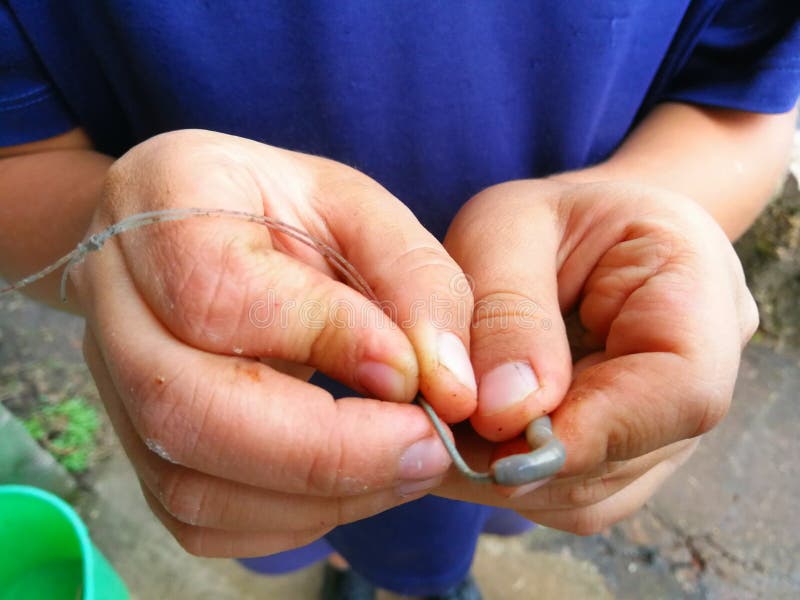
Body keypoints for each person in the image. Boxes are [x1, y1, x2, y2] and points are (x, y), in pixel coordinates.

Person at [1, 2, 798, 598]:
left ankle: (433, 577)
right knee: (306, 503)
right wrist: (124, 236)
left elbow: (749, 99)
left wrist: (651, 214)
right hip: (254, 386)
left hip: (556, 356)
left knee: (474, 498)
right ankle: (352, 566)